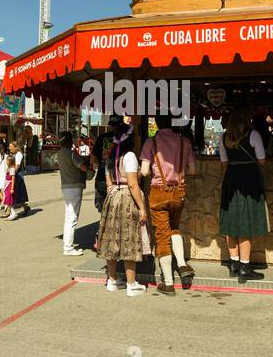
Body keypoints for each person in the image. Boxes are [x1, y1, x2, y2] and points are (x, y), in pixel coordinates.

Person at [141, 114, 196, 290]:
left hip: (158, 193)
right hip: (178, 192)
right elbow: (193, 170)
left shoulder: (151, 142)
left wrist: (153, 169)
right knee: (174, 227)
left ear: (156, 124)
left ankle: (169, 283)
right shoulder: (184, 142)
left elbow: (144, 172)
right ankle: (181, 264)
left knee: (162, 235)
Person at [97, 123, 148, 297]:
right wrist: (142, 207)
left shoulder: (111, 156)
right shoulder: (130, 156)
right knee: (129, 237)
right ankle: (131, 284)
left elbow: (108, 181)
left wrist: (114, 189)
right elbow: (133, 184)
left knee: (111, 237)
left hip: (113, 197)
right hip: (127, 197)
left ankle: (112, 280)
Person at [218, 106, 267, 286]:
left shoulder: (223, 137)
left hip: (231, 178)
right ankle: (245, 268)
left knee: (231, 221)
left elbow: (224, 163)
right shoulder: (253, 136)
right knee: (245, 221)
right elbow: (261, 160)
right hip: (249, 179)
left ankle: (234, 264)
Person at [58, 131, 90, 257]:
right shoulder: (71, 154)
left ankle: (67, 244)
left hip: (65, 186)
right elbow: (83, 167)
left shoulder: (60, 154)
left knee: (68, 216)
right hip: (74, 186)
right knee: (72, 218)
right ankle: (68, 247)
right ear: (68, 140)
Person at [2, 140, 30, 220]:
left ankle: (10, 212)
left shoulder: (18, 154)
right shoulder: (13, 154)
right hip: (14, 174)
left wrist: (11, 172)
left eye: (11, 147)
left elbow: (17, 166)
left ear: (15, 147)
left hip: (17, 175)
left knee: (16, 193)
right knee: (17, 194)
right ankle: (12, 211)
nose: (9, 148)